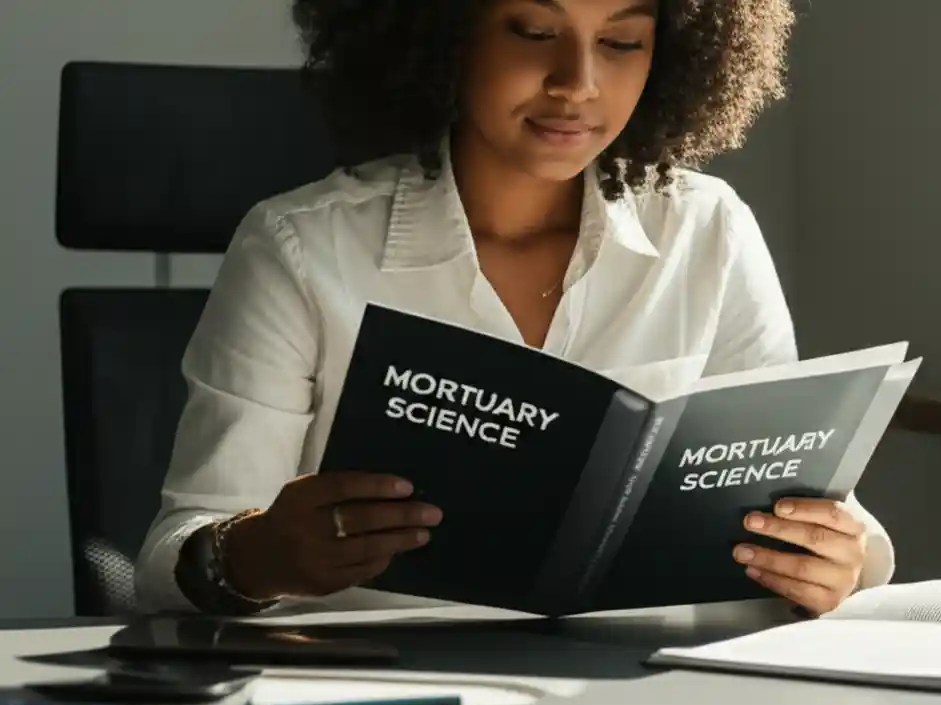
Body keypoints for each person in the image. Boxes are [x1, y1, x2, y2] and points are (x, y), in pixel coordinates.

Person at [136, 0, 895, 618]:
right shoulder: (301, 247)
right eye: (535, 32)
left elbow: (816, 509)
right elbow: (173, 555)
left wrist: (843, 560)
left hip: (640, 688)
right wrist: (256, 555)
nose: (578, 82)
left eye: (623, 41)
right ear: (445, 30)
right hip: (374, 687)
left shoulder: (709, 230)